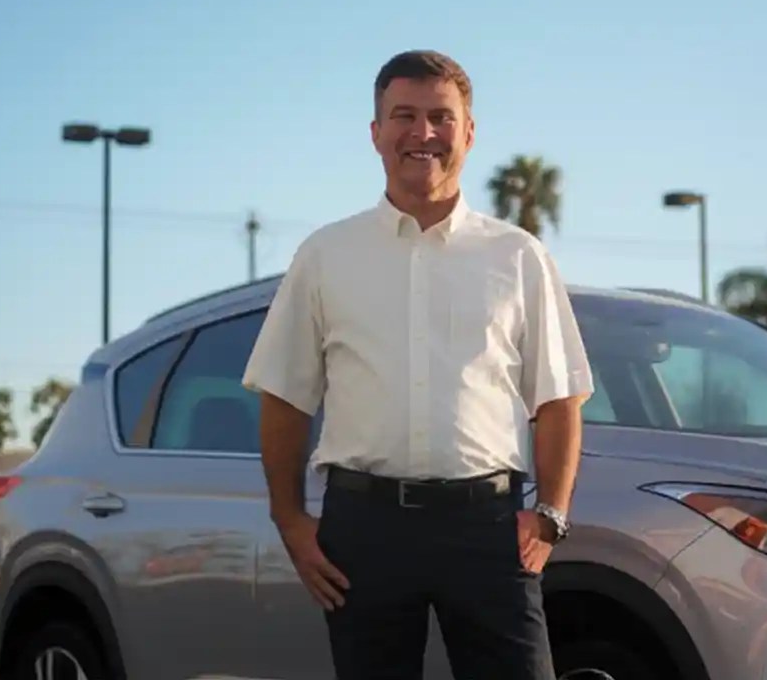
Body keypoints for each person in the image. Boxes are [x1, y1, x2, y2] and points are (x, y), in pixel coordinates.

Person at [242, 49, 593, 680]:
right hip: (362, 533)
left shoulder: (518, 257)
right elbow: (284, 399)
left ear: (469, 132)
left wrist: (552, 514)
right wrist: (291, 522)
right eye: (404, 115)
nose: (422, 133)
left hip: (488, 531)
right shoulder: (325, 255)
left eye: (440, 116)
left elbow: (560, 399)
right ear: (376, 133)